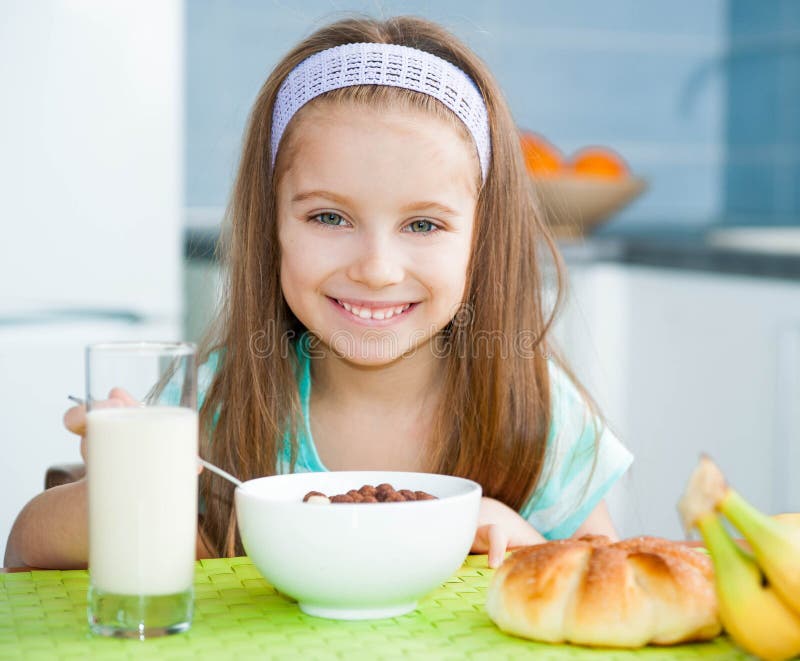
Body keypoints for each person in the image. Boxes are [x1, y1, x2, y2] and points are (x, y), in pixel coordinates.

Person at [5, 15, 632, 570]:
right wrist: (121, 488)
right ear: (270, 223)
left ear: (481, 237)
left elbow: (609, 578)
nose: (377, 268)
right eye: (329, 217)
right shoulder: (211, 404)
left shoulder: (536, 408)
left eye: (424, 224)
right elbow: (25, 552)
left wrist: (522, 539)